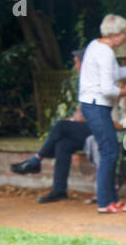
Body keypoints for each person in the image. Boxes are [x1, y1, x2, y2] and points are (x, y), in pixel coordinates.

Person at [78, 14, 126, 213]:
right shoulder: (105, 52)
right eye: (124, 33)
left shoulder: (95, 46)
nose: (125, 37)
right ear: (115, 34)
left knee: (109, 151)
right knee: (109, 151)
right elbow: (108, 88)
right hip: (97, 105)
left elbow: (112, 74)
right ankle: (105, 202)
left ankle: (111, 200)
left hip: (92, 104)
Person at [10, 50, 91, 202]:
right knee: (63, 144)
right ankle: (59, 190)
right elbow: (82, 111)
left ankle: (36, 160)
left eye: (77, 63)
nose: (75, 67)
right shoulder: (85, 82)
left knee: (61, 126)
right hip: (88, 127)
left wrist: (80, 118)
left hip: (101, 129)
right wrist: (75, 118)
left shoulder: (95, 81)